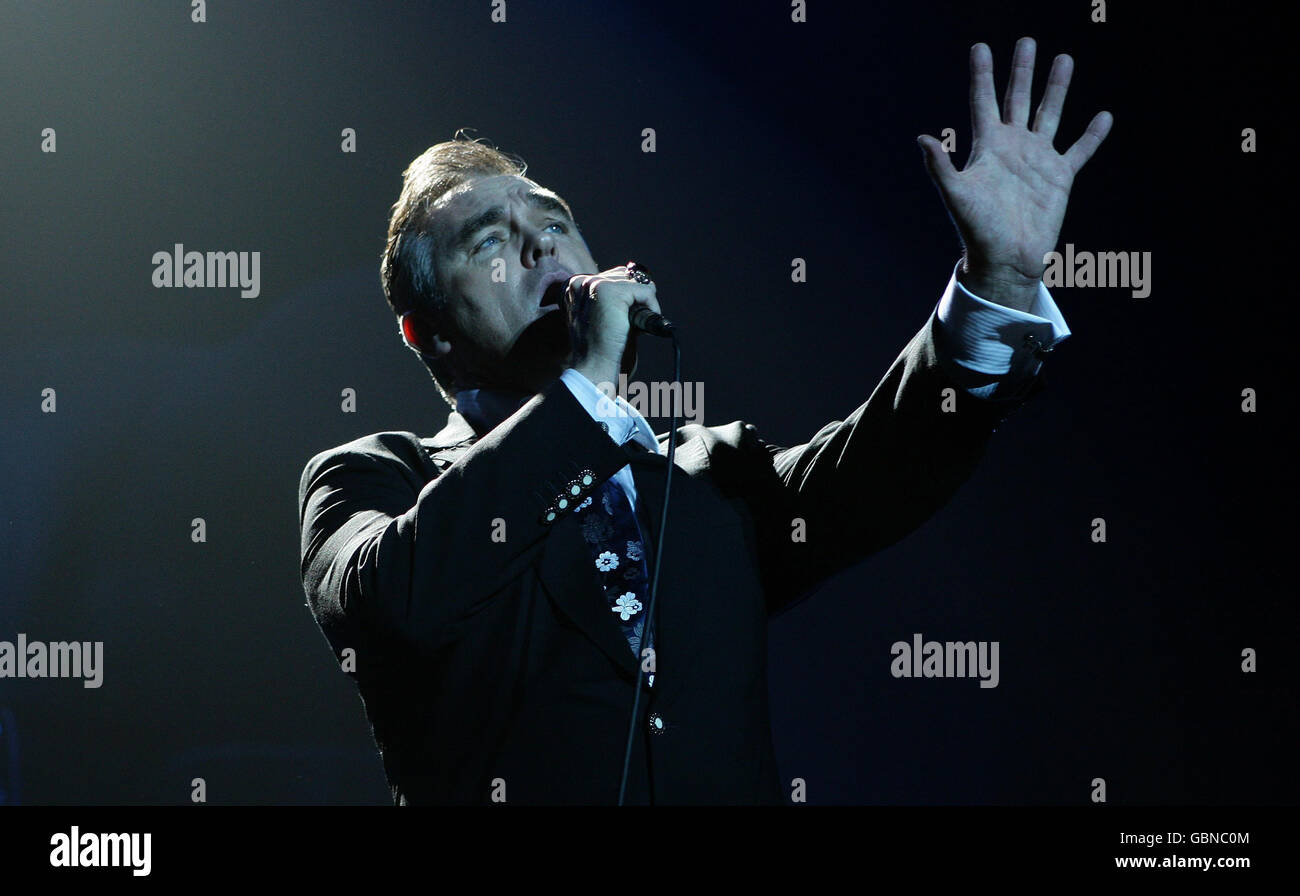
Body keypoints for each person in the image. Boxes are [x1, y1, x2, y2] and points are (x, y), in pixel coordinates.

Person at [297, 38, 1111, 804]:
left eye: (554, 223)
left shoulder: (709, 476)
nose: (543, 248)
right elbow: (394, 602)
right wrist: (587, 386)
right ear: (427, 330)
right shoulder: (373, 479)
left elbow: (888, 461)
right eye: (489, 243)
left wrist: (995, 283)